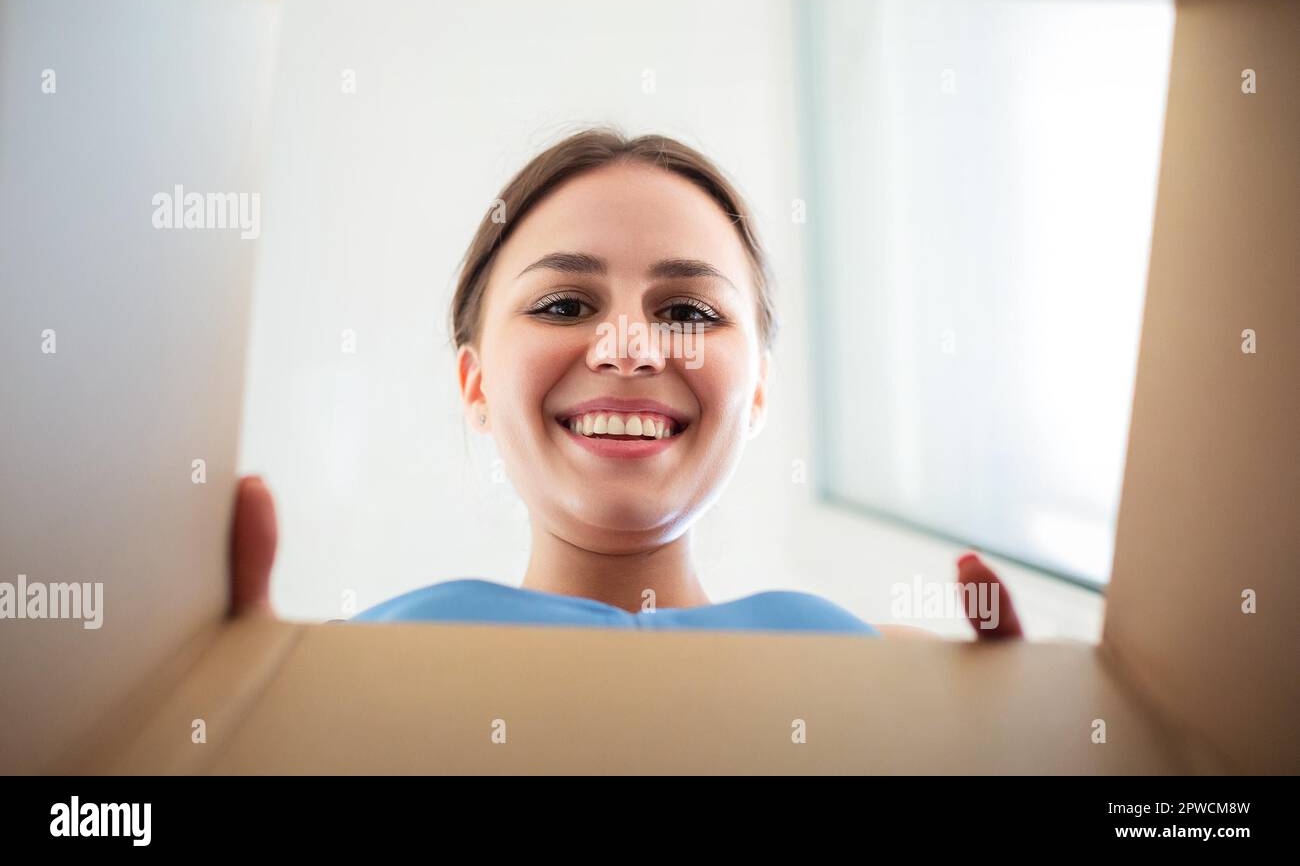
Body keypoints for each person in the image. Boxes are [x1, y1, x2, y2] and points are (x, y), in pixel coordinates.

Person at [228, 128, 1022, 641]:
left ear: (757, 393)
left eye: (687, 309)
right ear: (474, 385)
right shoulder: (357, 660)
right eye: (564, 304)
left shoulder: (870, 668)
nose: (628, 348)